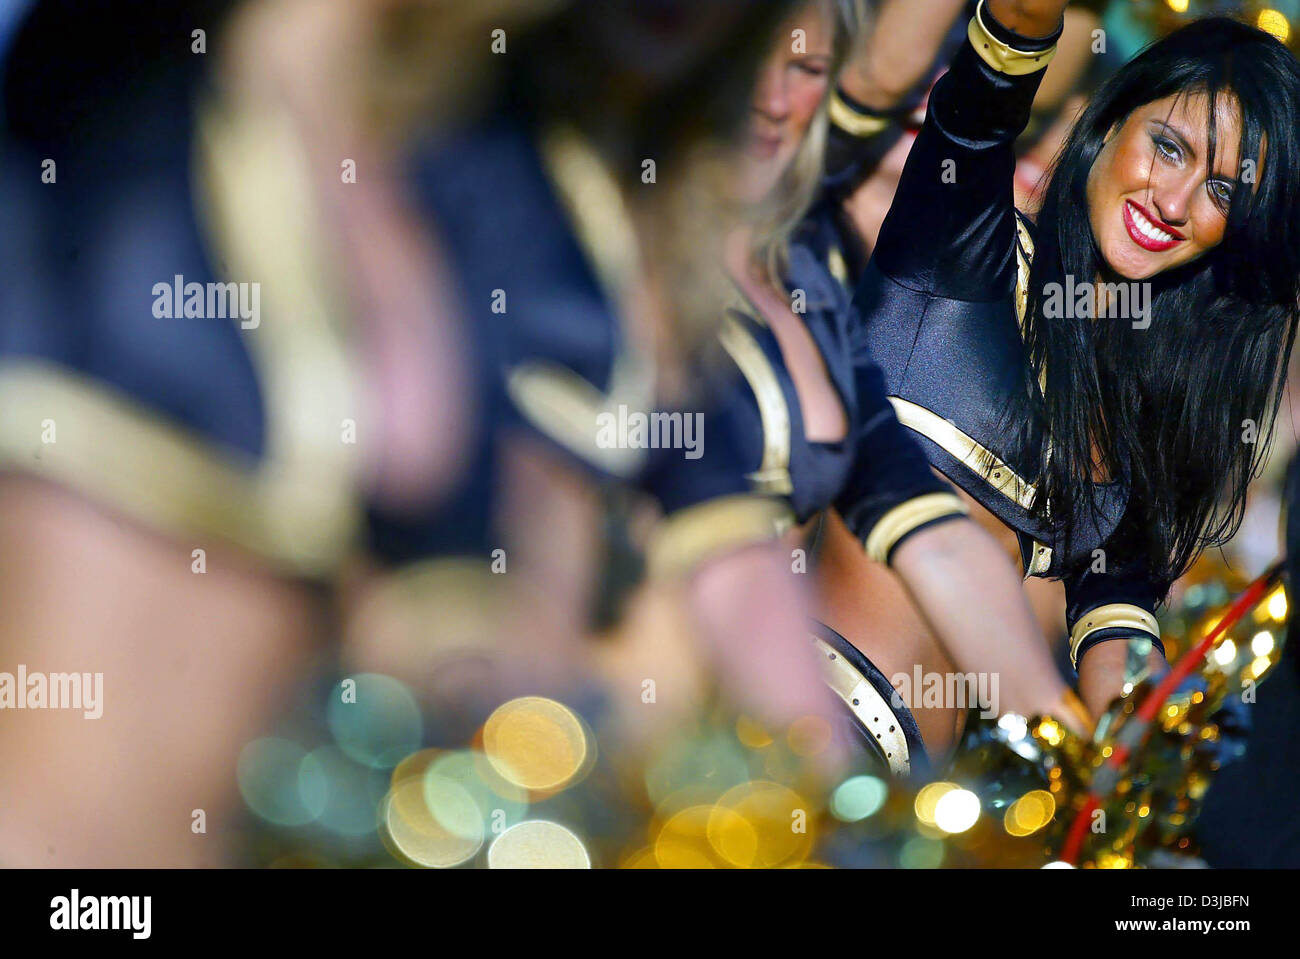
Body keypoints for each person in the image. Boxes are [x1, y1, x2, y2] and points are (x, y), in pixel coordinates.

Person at [833, 0, 1300, 728]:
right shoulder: (958, 242)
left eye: (1221, 191)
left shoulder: (1153, 415)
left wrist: (1117, 755)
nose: (1173, 201)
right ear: (1111, 119)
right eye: (1169, 147)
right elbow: (997, 68)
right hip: (798, 712)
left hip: (921, 811)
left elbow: (1117, 638)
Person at [717, 0, 1091, 769]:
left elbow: (928, 536)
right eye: (749, 60)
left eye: (807, 71)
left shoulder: (819, 298)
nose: (772, 95)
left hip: (820, 764)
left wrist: (1070, 748)